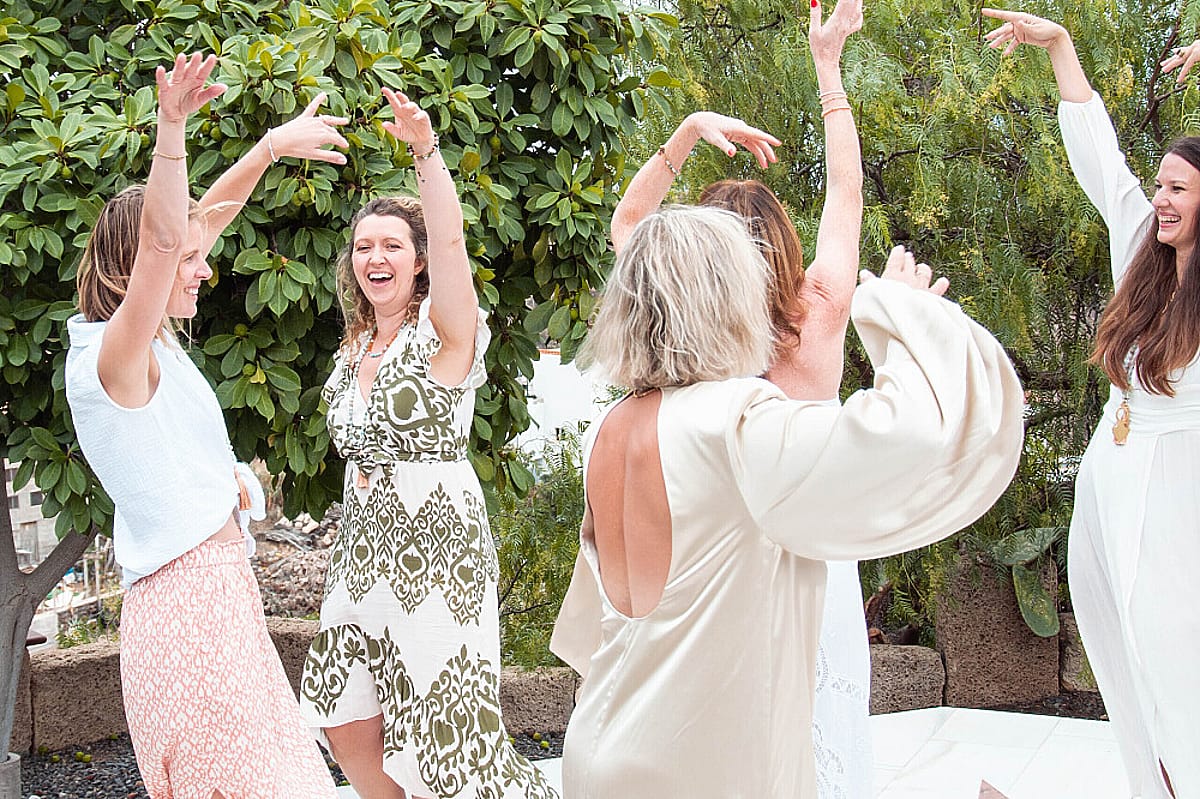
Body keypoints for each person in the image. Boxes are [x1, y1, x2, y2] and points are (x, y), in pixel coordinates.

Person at [550, 203, 1024, 797]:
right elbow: (906, 439)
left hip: (600, 740)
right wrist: (903, 312)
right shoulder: (729, 421)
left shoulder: (609, 428)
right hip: (695, 762)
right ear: (724, 301)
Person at [606, 1, 887, 794]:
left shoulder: (690, 336)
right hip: (815, 545)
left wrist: (689, 131)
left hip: (718, 552)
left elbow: (629, 221)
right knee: (823, 724)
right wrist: (828, 69)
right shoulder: (818, 314)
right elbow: (847, 191)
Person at [65, 53, 349, 798]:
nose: (203, 267)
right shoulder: (111, 359)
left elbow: (200, 220)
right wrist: (170, 130)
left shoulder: (148, 339)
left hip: (217, 602)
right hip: (189, 613)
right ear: (136, 268)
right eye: (186, 260)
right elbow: (168, 242)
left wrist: (267, 150)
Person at [297, 88, 558, 799]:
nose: (374, 257)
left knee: (446, 742)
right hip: (360, 556)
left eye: (391, 246)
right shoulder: (353, 347)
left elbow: (451, 245)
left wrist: (426, 152)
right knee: (343, 716)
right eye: (363, 247)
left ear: (415, 263)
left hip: (438, 555)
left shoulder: (442, 336)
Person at [984, 8, 1200, 798]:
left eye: (1179, 188)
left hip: (1181, 495)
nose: (1163, 198)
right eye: (1163, 186)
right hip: (1114, 478)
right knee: (1123, 650)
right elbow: (1100, 160)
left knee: (1176, 655)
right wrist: (1061, 48)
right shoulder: (1142, 241)